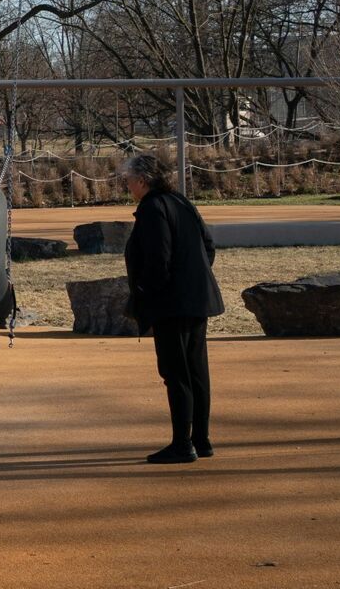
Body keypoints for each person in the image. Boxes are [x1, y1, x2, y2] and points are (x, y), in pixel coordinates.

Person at [121, 151, 225, 465]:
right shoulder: (182, 202)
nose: (127, 185)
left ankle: (183, 443)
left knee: (176, 372)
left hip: (171, 302)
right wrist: (194, 276)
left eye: (128, 180)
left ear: (142, 180)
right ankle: (200, 439)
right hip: (197, 299)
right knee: (196, 372)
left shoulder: (153, 208)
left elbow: (157, 259)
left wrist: (145, 292)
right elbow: (208, 246)